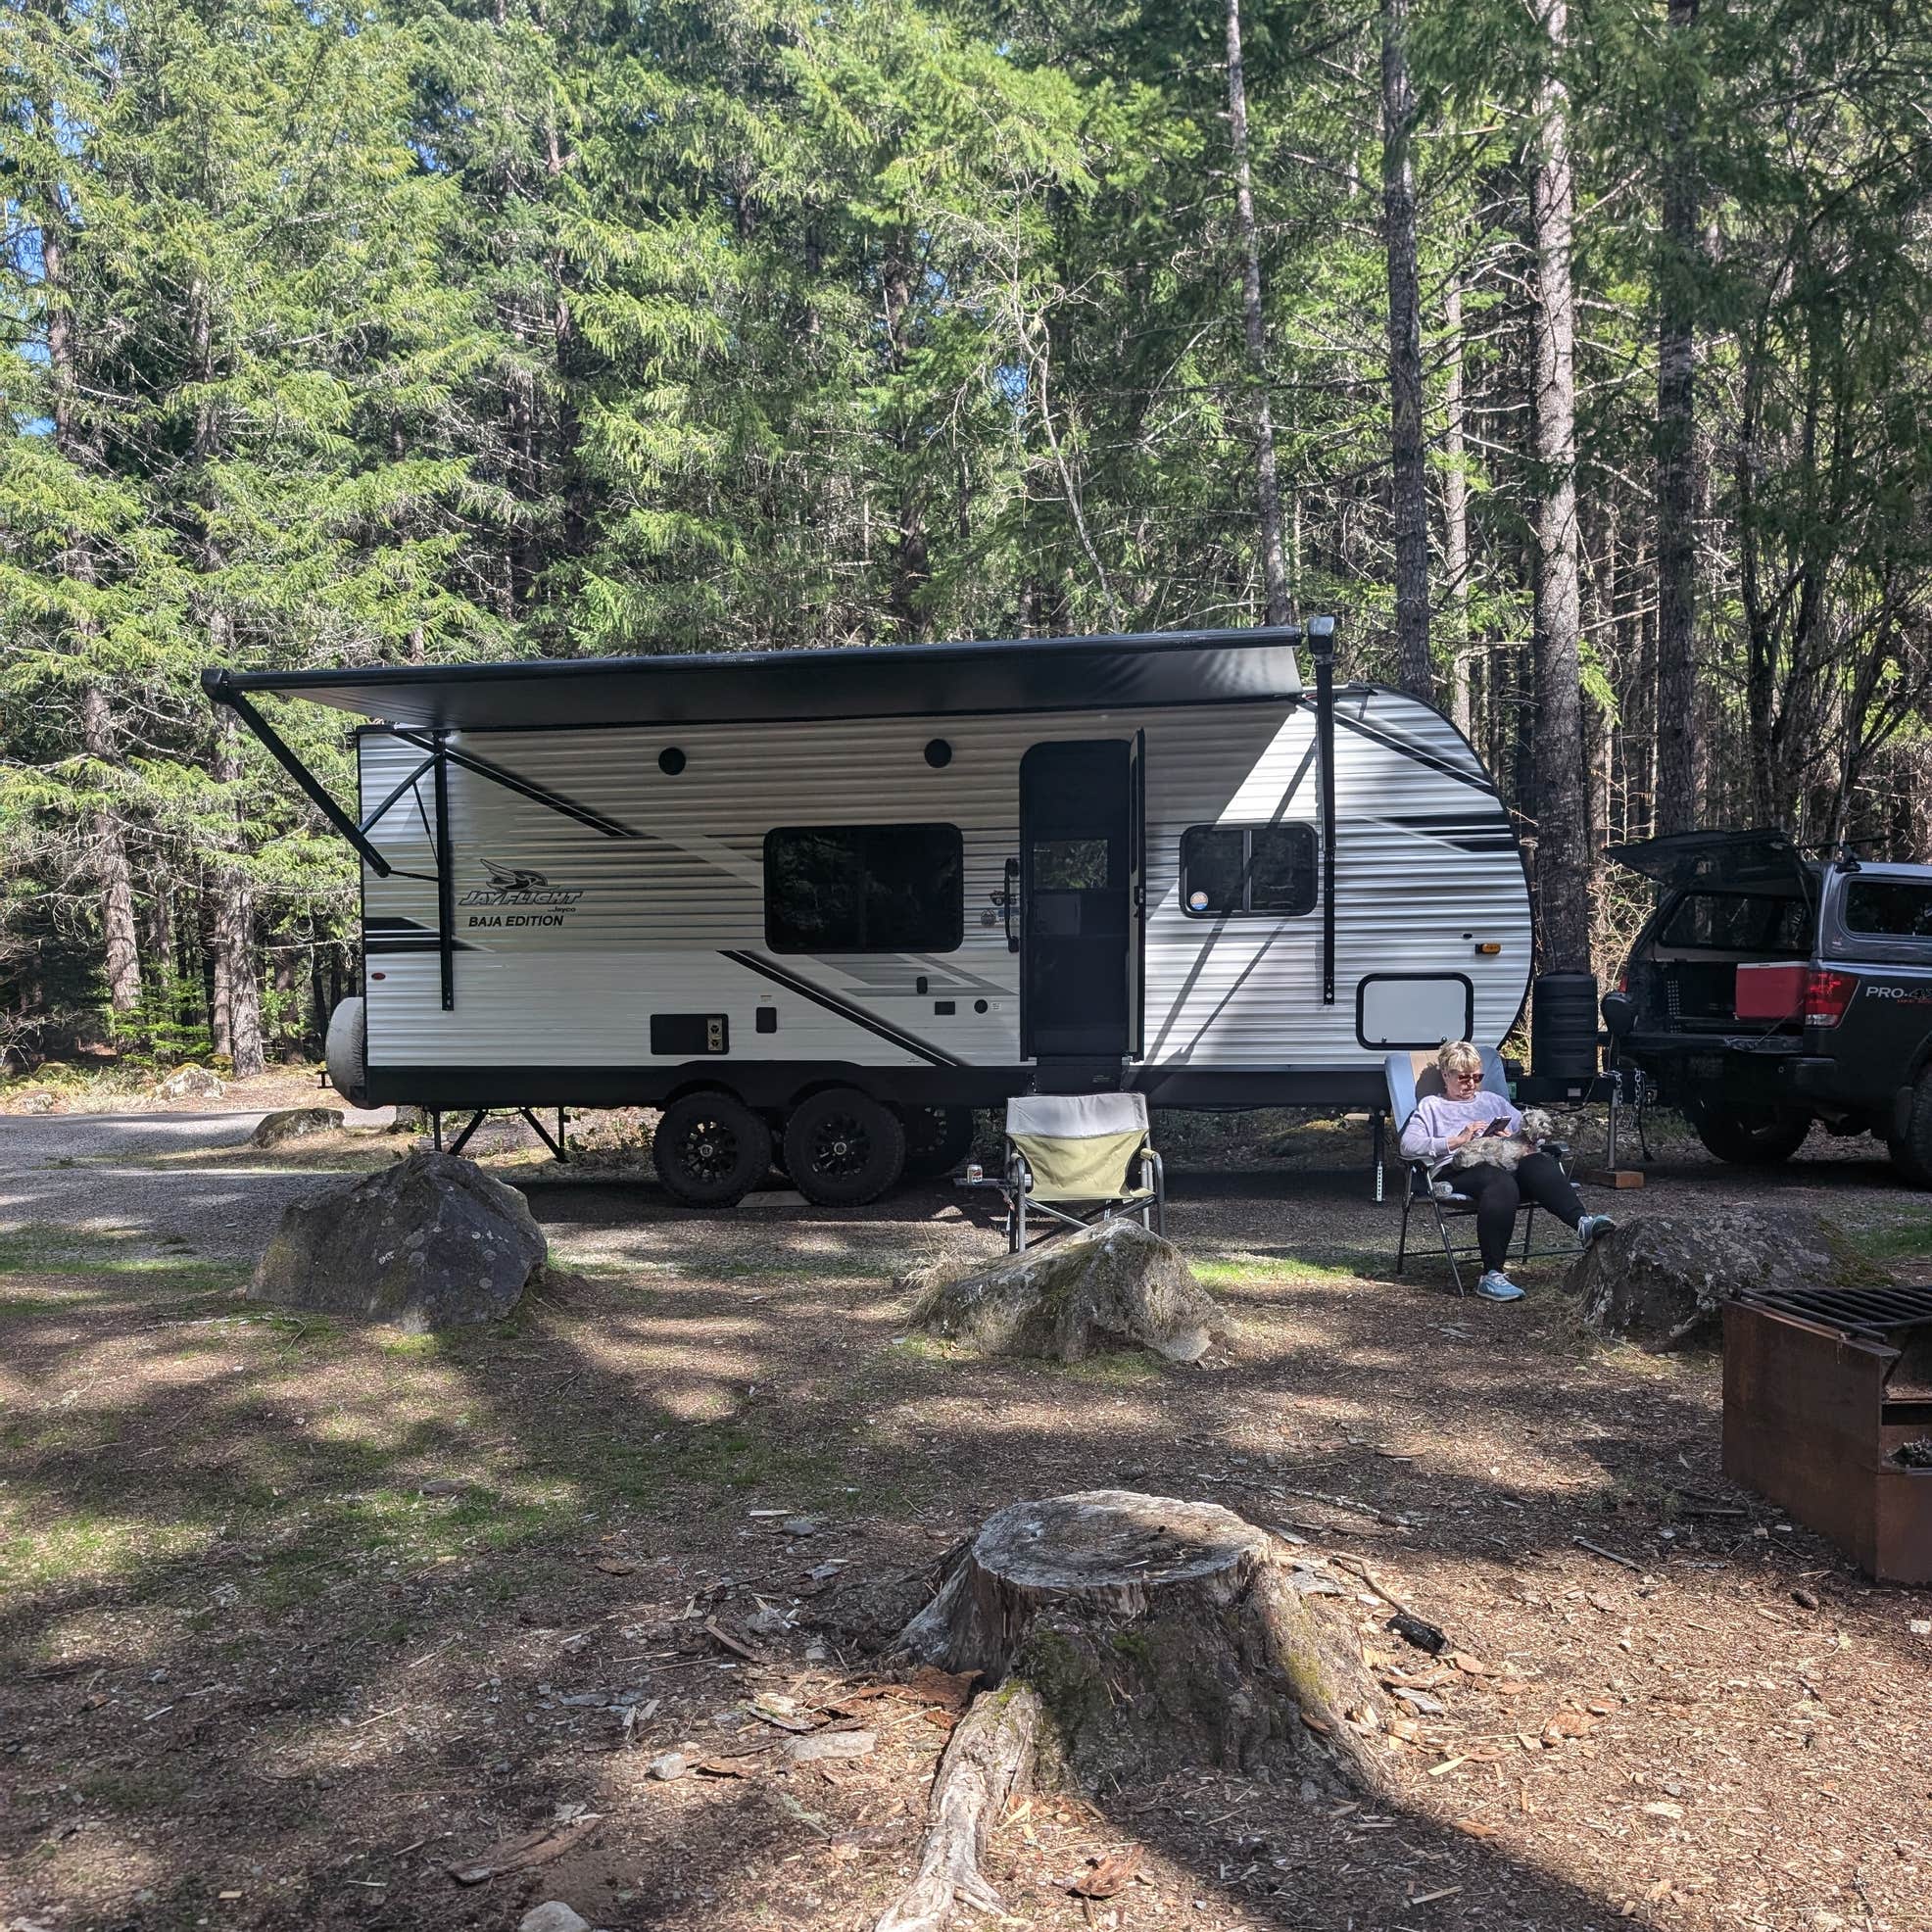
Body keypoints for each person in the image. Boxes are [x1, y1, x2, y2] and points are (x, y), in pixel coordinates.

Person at [1398, 1038, 1614, 1302]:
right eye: (1463, 1077)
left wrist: (1514, 1137)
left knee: (1536, 1161)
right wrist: (1456, 1140)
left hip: (1505, 1161)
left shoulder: (1492, 1101)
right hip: (1459, 1169)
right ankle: (1492, 1275)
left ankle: (1583, 1224)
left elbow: (1532, 1133)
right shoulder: (1432, 1106)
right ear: (1446, 1075)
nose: (1471, 1084)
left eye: (1477, 1077)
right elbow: (1408, 1145)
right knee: (1499, 1181)